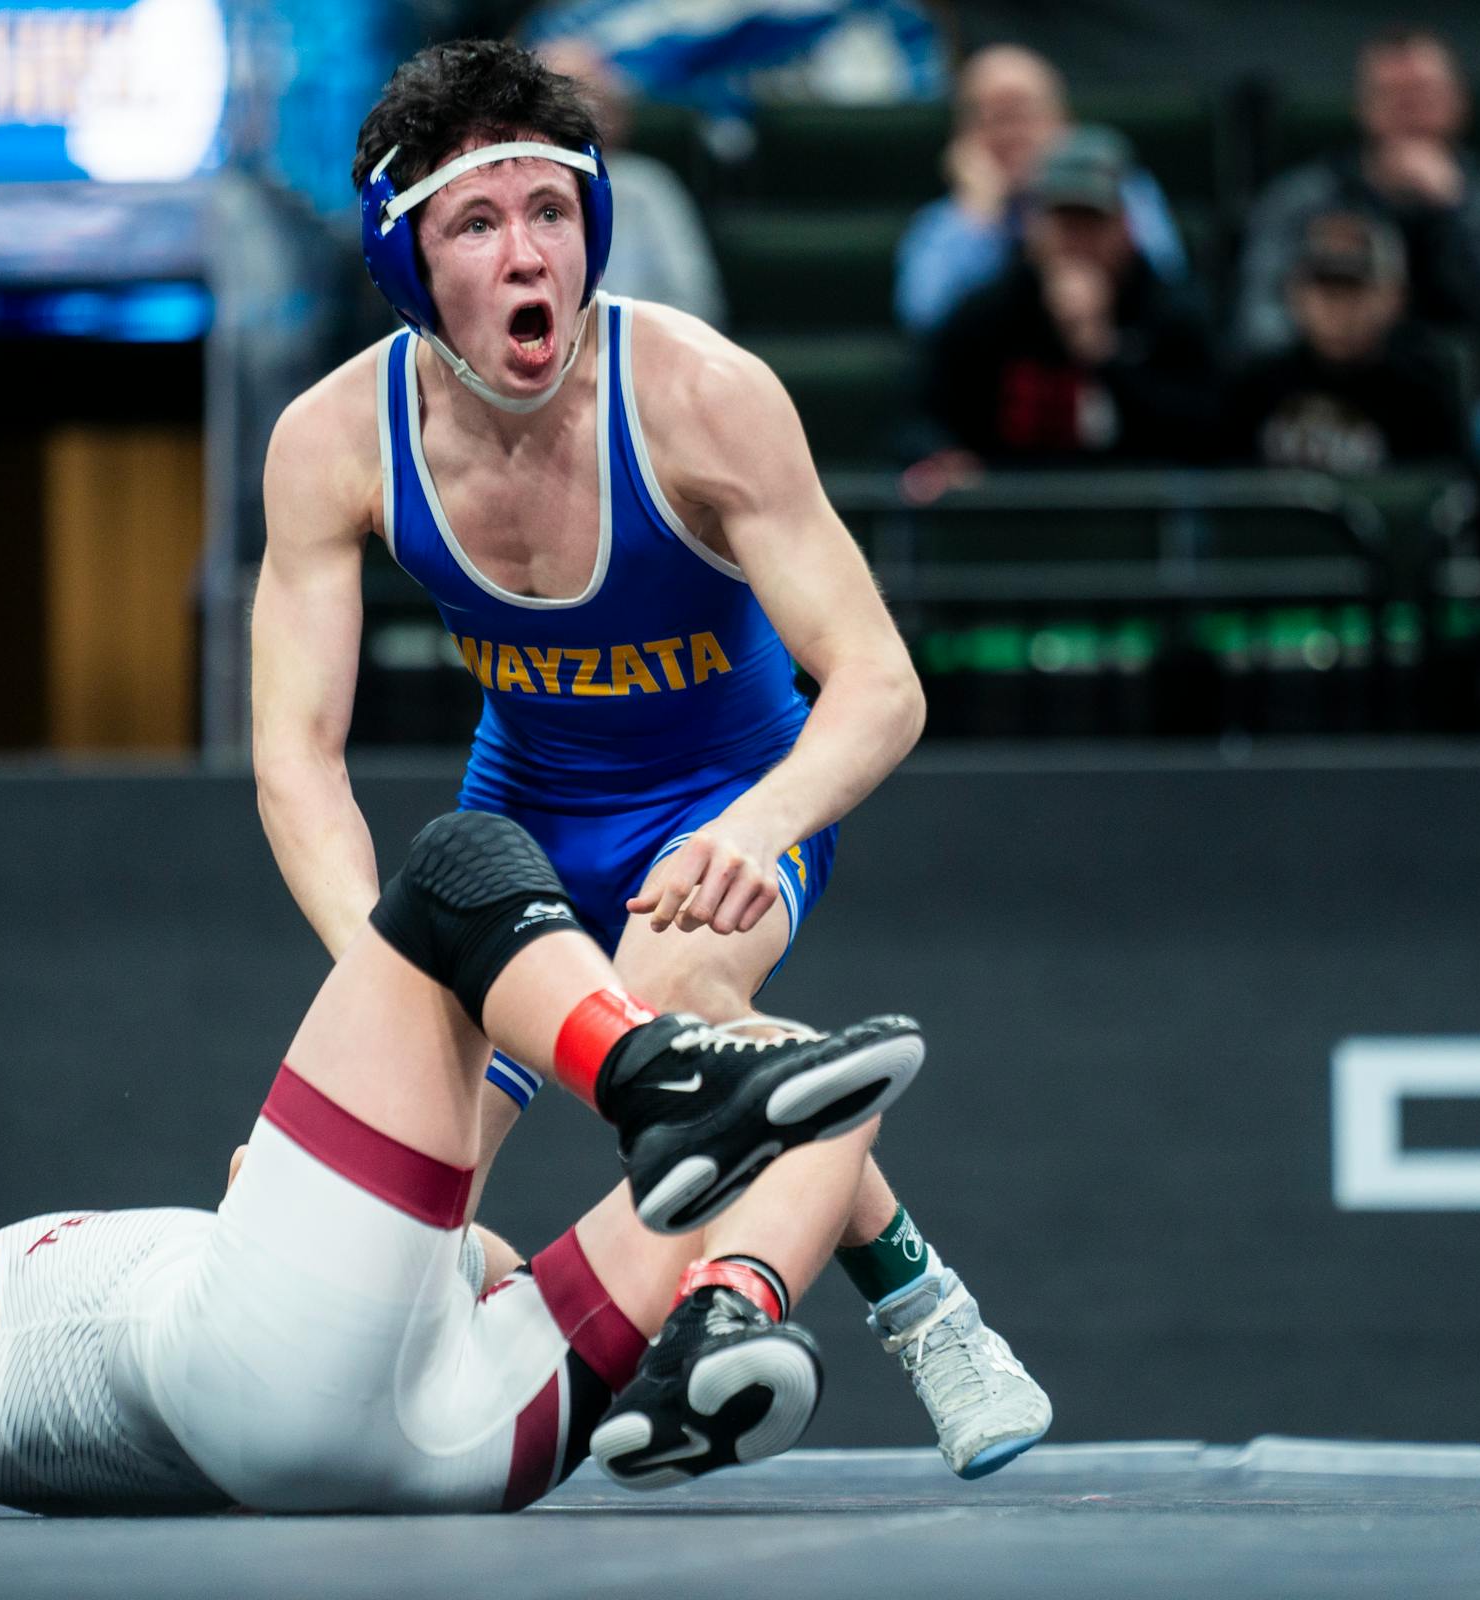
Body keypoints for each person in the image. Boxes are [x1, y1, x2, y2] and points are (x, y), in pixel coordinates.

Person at [252, 40, 1049, 1480]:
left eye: (549, 211)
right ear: (405, 262)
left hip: (722, 799)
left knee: (676, 1010)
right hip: (524, 822)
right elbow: (298, 760)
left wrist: (764, 822)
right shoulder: (331, 444)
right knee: (331, 1194)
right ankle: (885, 1280)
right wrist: (383, 974)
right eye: (477, 223)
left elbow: (877, 683)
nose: (525, 252)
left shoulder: (700, 397)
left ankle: (862, 1321)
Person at [0, 811, 925, 1514]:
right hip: (291, 1385)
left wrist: (319, 1217)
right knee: (456, 875)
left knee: (814, 1077)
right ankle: (651, 1079)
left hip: (460, 1436)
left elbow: (477, 1263)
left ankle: (712, 1331)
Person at [1233, 27, 1480, 390]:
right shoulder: (1300, 200)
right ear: (1360, 107)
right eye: (1391, 95)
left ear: (1460, 102)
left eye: (1423, 94)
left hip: (1457, 405)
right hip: (1325, 393)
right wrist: (1330, 340)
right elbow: (1258, 321)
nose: (1408, 110)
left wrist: (1453, 210)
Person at [915, 126, 1219, 477]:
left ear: (1125, 227)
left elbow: (1209, 436)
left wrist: (1103, 354)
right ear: (1034, 227)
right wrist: (945, 457)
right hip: (1014, 516)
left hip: (1136, 516)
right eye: (1063, 222)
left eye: (1091, 222)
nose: (1076, 241)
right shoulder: (989, 311)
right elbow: (923, 418)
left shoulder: (1169, 311)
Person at [895, 44, 1187, 336]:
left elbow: (1167, 285)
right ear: (963, 137)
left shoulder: (1120, 190)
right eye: (991, 118)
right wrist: (980, 216)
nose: (1009, 133)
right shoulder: (948, 223)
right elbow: (926, 319)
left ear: (1063, 122)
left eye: (1022, 114)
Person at [1227, 209, 1468, 474]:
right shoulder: (1253, 389)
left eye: (1355, 288)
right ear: (1294, 294)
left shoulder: (1420, 397)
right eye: (1325, 289)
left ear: (1394, 299)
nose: (1338, 308)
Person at [535, 40, 727, 328]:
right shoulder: (512, 189)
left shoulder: (648, 187)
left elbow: (696, 301)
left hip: (640, 357)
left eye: (588, 103)